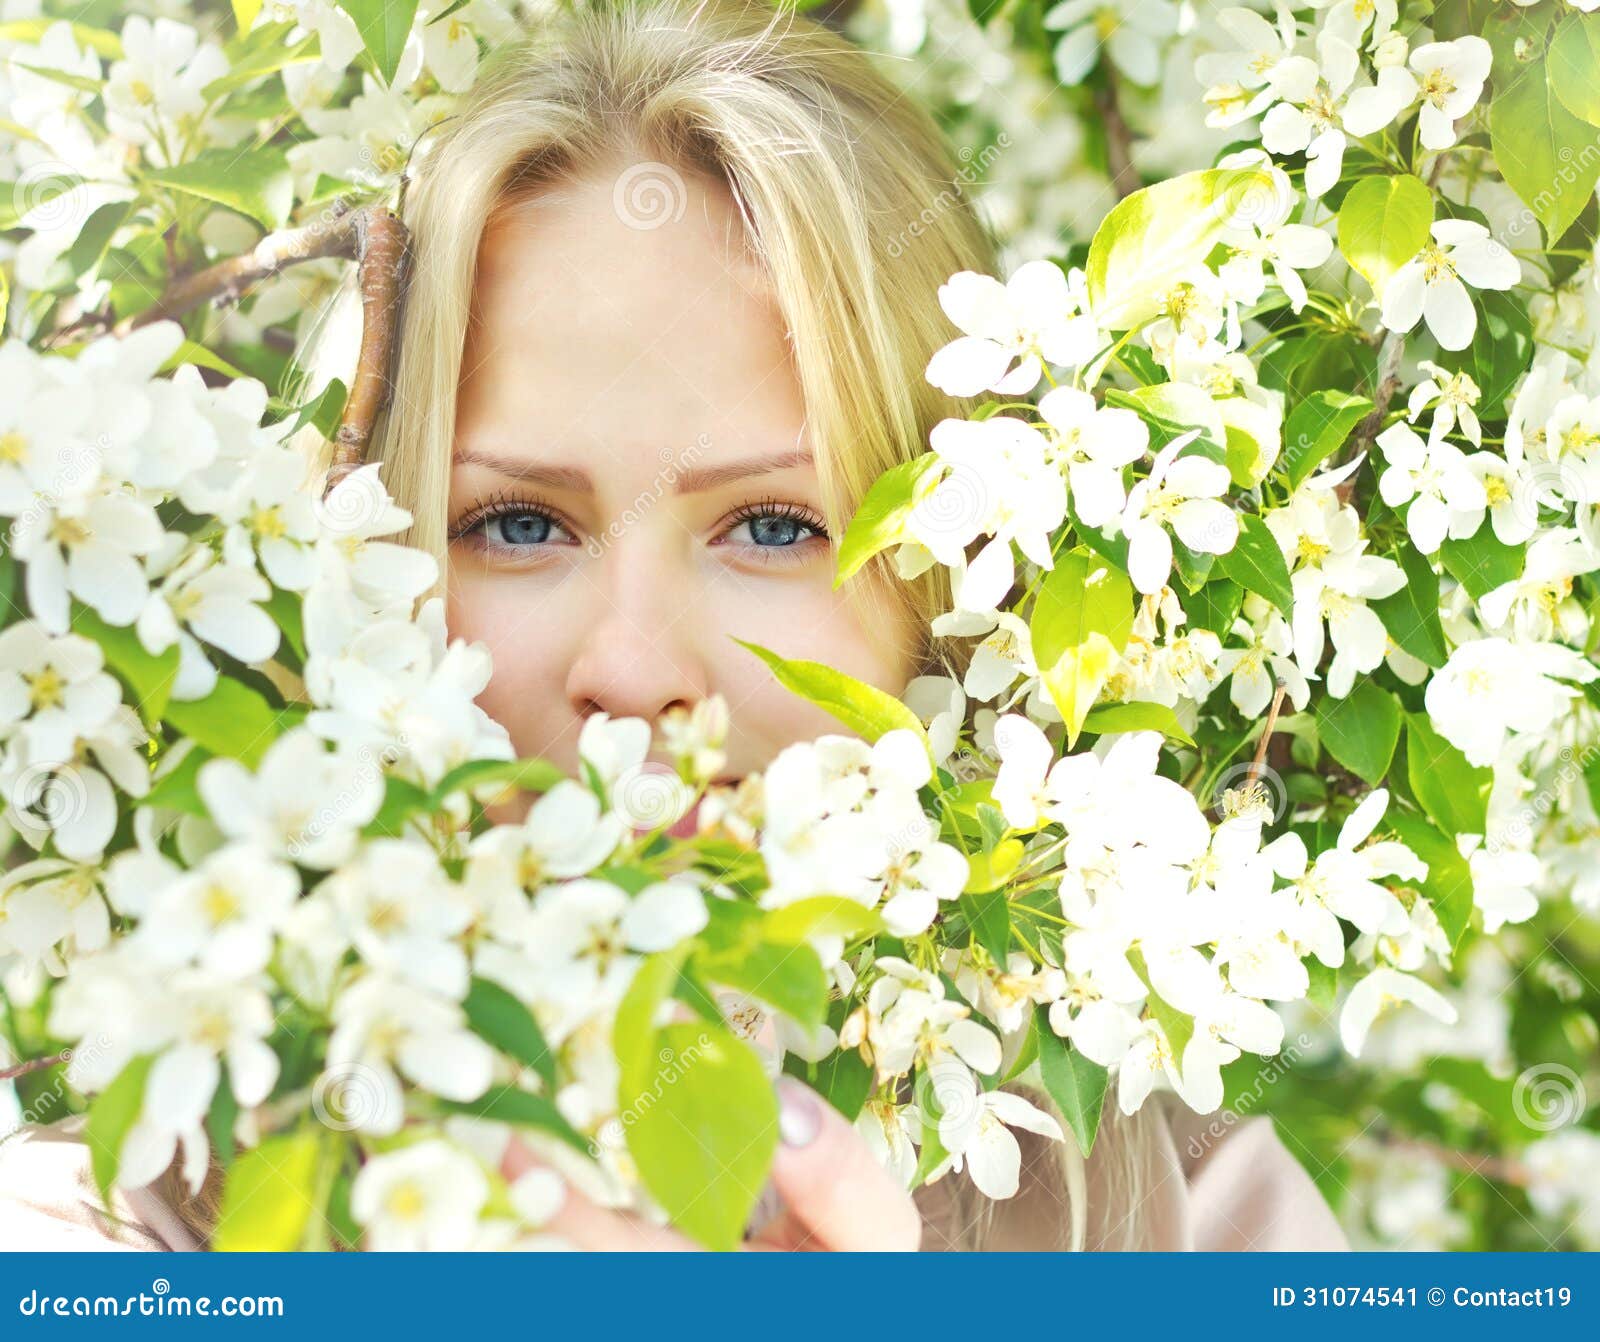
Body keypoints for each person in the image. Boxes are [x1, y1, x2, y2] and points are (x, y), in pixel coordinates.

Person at [0, 0, 1346, 1252]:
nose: (635, 671)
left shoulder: (1191, 1215)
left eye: (773, 525)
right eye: (517, 524)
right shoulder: (105, 1229)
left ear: (956, 602)